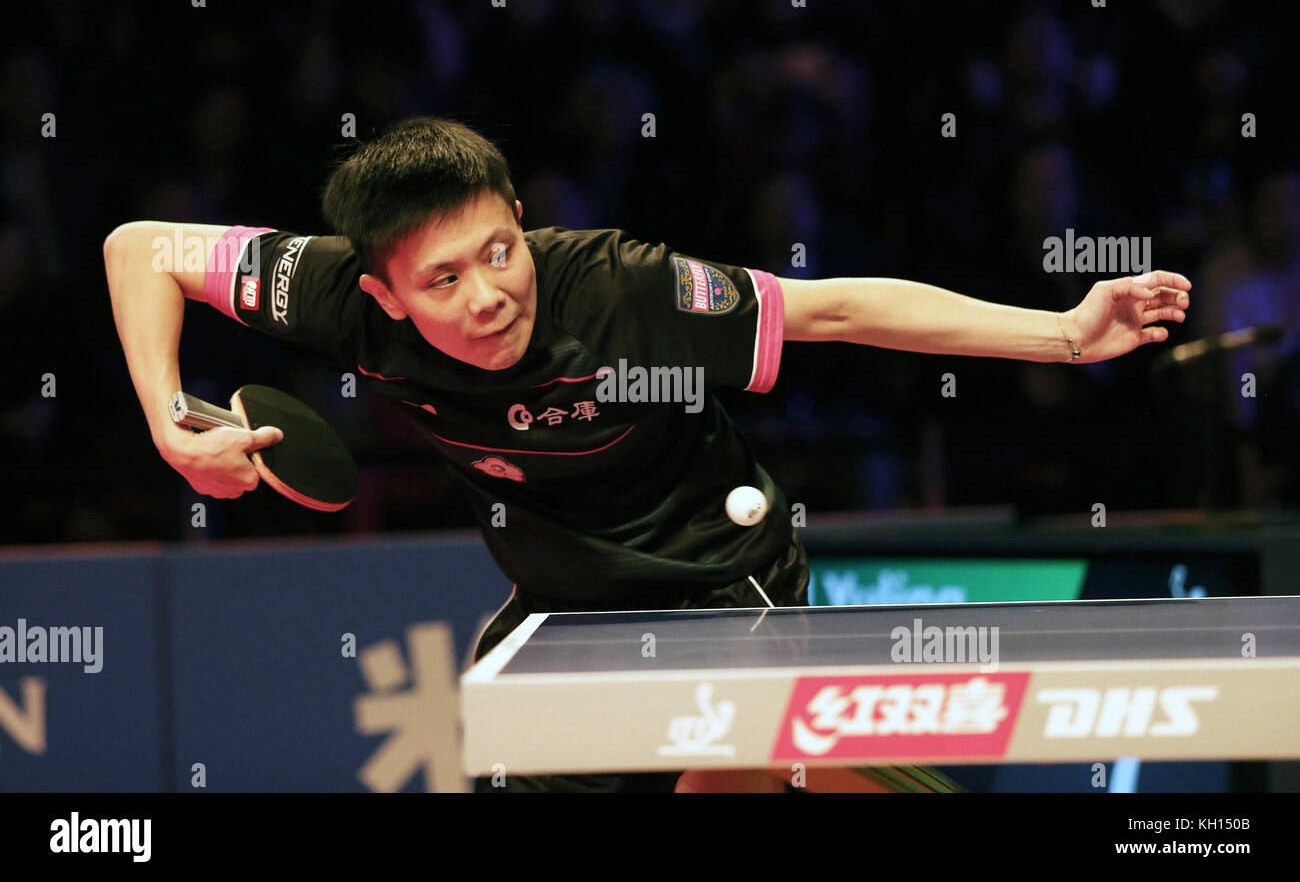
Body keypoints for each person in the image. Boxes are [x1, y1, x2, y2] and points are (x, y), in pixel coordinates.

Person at [103, 117, 1191, 793]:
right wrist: (167, 420)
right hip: (562, 612)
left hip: (723, 586)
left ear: (519, 215)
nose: (488, 294)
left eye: (499, 249)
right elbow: (141, 247)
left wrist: (1063, 332)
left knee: (733, 778)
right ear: (384, 291)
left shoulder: (624, 288)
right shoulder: (339, 295)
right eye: (443, 280)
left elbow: (835, 307)